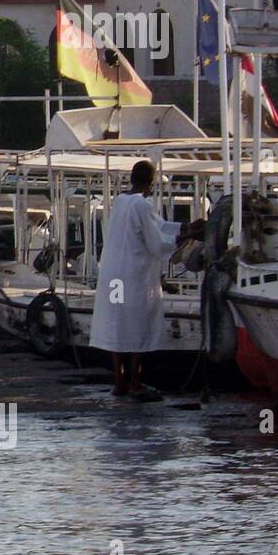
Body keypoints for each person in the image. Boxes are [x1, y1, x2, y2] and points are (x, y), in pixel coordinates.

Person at [90, 159, 198, 400]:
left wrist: (183, 227)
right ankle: (136, 382)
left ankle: (120, 382)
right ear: (151, 182)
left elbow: (157, 225)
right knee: (138, 324)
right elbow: (157, 243)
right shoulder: (142, 205)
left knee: (117, 323)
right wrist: (187, 236)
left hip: (113, 278)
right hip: (133, 277)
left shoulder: (121, 201)